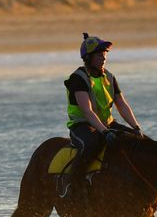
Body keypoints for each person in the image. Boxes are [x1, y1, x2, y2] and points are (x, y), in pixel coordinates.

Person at [61, 32, 143, 198]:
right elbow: (87, 111)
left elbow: (122, 105)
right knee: (92, 144)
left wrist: (135, 127)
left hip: (108, 123)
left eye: (104, 54)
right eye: (99, 55)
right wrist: (104, 132)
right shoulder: (78, 78)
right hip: (83, 125)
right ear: (88, 58)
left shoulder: (110, 77)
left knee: (140, 143)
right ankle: (71, 184)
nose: (103, 58)